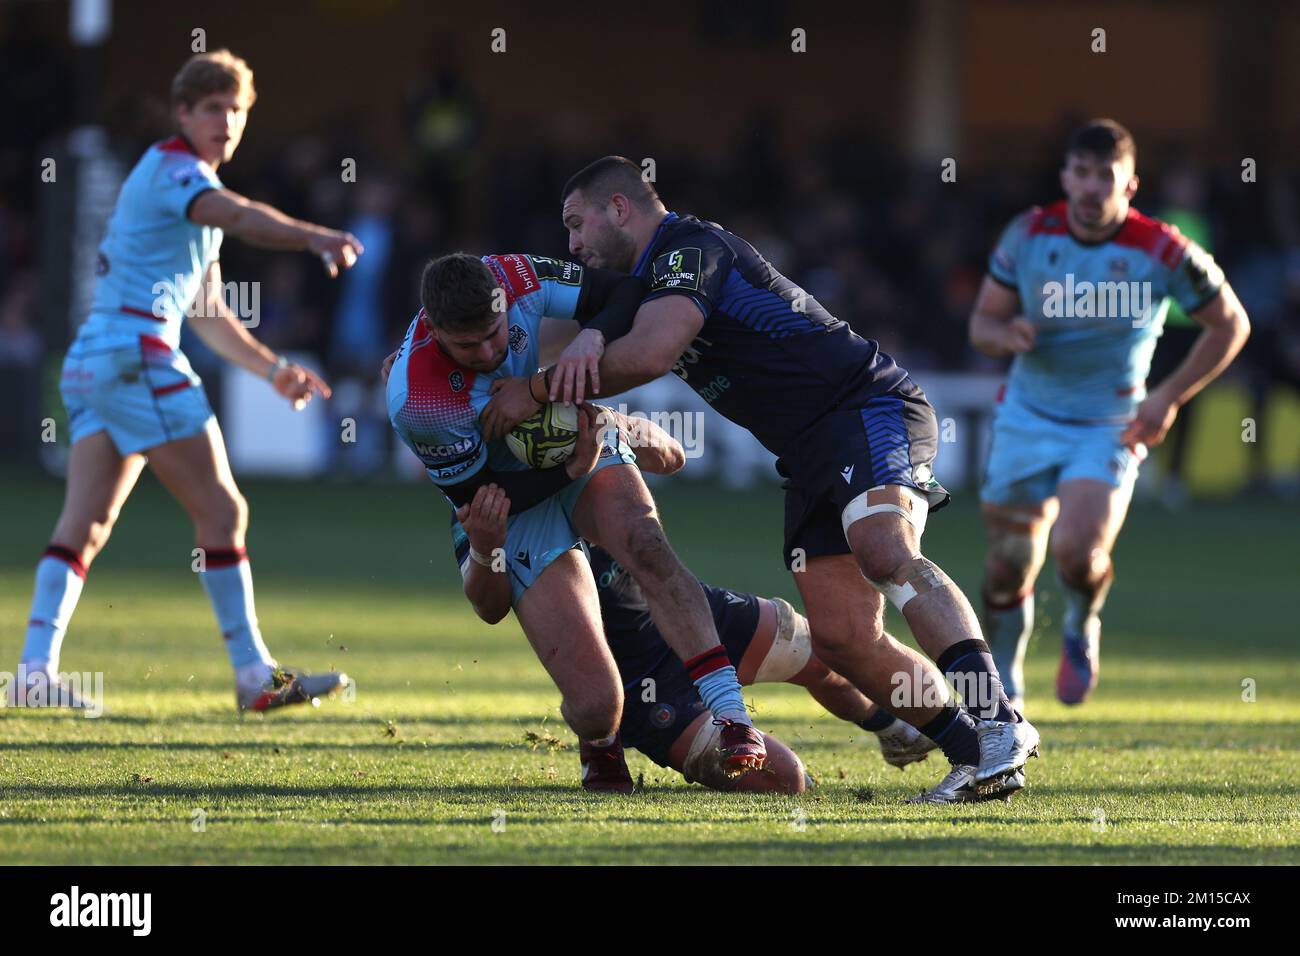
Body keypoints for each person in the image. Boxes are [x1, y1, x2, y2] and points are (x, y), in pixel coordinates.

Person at [482, 156, 1036, 802]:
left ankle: (999, 719)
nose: (572, 244)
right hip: (806, 455)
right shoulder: (637, 283)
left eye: (577, 225)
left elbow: (655, 352)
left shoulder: (691, 250)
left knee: (884, 546)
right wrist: (439, 359)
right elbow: (552, 337)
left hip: (865, 408)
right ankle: (974, 757)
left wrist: (538, 389)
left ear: (619, 208)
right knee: (843, 637)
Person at [15, 50, 362, 712]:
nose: (226, 121)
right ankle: (253, 674)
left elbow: (207, 313)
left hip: (95, 364)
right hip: (136, 358)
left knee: (84, 525)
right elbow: (236, 215)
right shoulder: (176, 171)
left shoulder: (187, 188)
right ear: (182, 112)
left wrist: (271, 368)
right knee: (224, 511)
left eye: (236, 110)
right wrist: (315, 235)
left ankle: (34, 670)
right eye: (213, 108)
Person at [386, 252, 769, 777]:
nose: (490, 352)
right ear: (433, 329)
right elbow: (484, 498)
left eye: (496, 334)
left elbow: (622, 292)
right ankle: (601, 743)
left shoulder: (515, 276)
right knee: (596, 704)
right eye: (467, 346)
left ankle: (731, 717)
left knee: (645, 543)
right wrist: (571, 470)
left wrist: (575, 351)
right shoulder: (417, 400)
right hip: (517, 494)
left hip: (576, 440)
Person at [449, 413, 942, 795]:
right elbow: (488, 604)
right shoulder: (484, 496)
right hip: (642, 678)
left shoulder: (578, 428)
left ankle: (892, 728)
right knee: (784, 780)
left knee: (823, 650)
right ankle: (604, 740)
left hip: (690, 613)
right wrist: (485, 546)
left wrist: (613, 426)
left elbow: (672, 456)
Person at [969, 120, 1249, 707]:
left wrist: (1167, 396)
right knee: (1006, 565)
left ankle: (1080, 620)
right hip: (1027, 415)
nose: (1093, 187)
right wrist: (1006, 332)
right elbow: (982, 325)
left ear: (1130, 184)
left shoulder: (1164, 249)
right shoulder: (1028, 234)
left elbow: (1231, 324)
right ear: (1066, 176)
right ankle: (1009, 686)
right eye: (1082, 172)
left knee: (1077, 552)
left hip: (1108, 424)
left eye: (1107, 175)